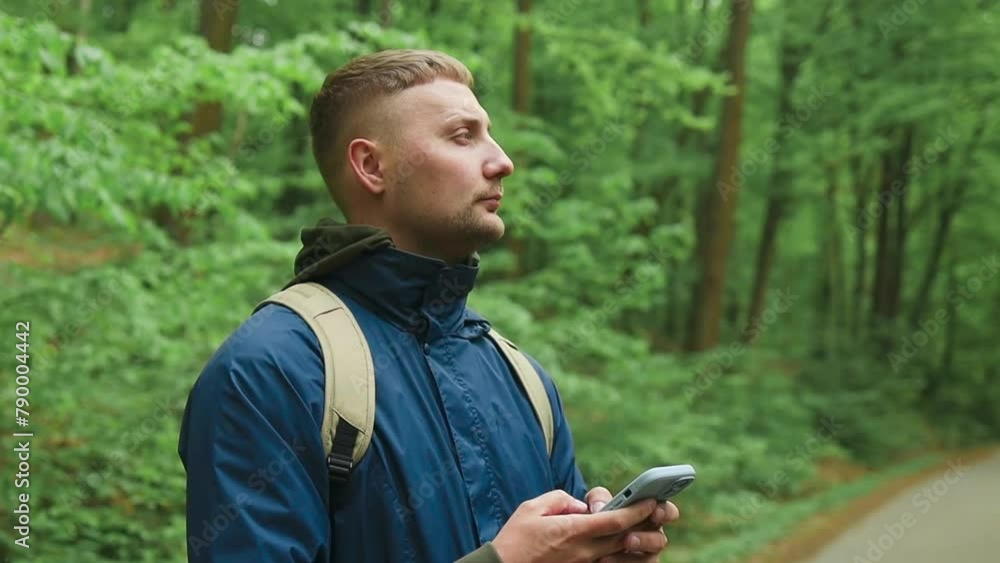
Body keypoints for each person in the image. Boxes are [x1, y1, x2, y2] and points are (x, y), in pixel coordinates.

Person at [178, 48, 680, 563]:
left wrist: (598, 549)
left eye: (489, 133)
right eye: (463, 136)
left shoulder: (522, 381)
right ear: (372, 166)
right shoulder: (270, 372)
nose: (502, 161)